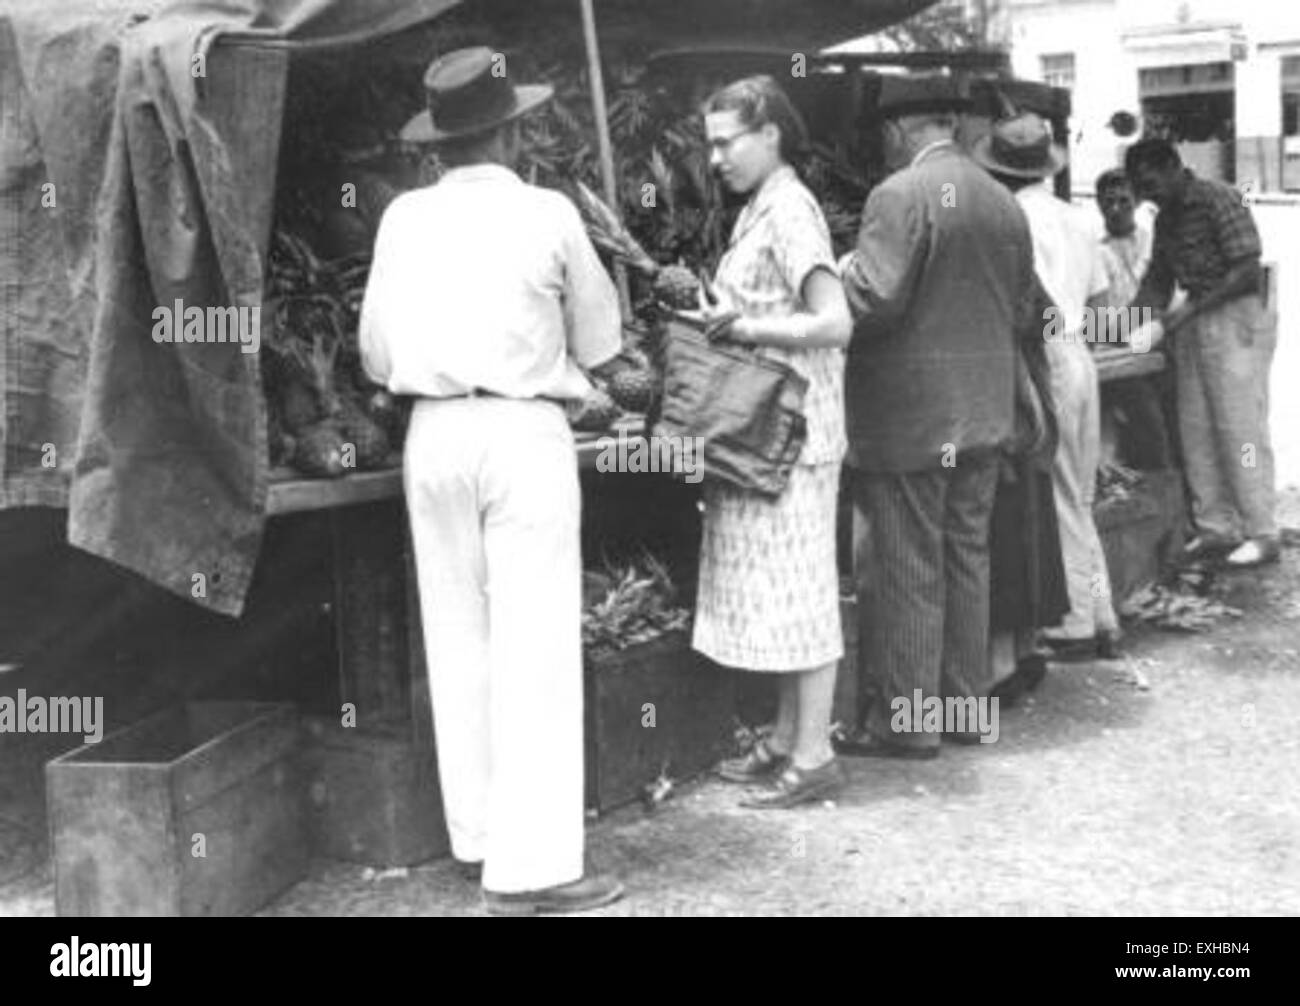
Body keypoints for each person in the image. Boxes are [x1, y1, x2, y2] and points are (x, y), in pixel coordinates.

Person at [359, 47, 625, 914]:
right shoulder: (547, 212)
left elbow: (375, 353)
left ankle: (476, 838)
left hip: (432, 437)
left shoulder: (401, 218)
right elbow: (601, 346)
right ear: (511, 131)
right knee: (535, 646)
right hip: (520, 431)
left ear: (440, 141)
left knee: (457, 636)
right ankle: (535, 869)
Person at [836, 76, 1037, 758]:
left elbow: (873, 300)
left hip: (910, 422)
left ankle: (910, 721)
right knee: (965, 560)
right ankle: (962, 706)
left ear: (899, 131)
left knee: (908, 567)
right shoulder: (1002, 201)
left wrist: (834, 275)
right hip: (982, 415)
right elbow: (1024, 308)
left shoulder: (898, 195)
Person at [686, 75, 853, 808]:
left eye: (727, 142)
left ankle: (815, 756)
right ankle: (788, 740)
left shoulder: (791, 210)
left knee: (804, 593)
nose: (715, 158)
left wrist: (743, 326)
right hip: (767, 432)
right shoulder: (761, 208)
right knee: (780, 593)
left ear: (771, 133)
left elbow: (833, 319)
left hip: (797, 434)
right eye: (710, 144)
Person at [974, 112, 1122, 663]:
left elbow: (1020, 303)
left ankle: (1074, 625)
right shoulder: (1079, 218)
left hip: (1046, 354)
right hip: (1082, 352)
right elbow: (1104, 305)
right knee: (1081, 491)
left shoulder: (1010, 218)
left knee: (1054, 490)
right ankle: (1102, 611)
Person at [1124, 138, 1280, 568]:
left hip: (1234, 314)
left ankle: (1261, 531)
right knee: (1196, 425)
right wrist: (1123, 323)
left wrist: (1183, 313)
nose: (1148, 194)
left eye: (1152, 183)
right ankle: (1216, 528)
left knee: (1239, 426)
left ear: (1174, 167)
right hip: (1194, 316)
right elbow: (1157, 279)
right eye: (1142, 187)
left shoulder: (1219, 199)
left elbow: (1247, 272)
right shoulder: (1166, 217)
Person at [1095, 168, 1176, 471]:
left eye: (1123, 201)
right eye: (1108, 202)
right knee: (1143, 414)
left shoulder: (1153, 240)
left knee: (1175, 414)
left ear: (1136, 201)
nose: (1116, 209)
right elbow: (1096, 316)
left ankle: (1172, 480)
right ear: (1099, 204)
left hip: (1160, 339)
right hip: (1121, 347)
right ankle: (1156, 475)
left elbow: (1168, 294)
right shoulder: (1094, 249)